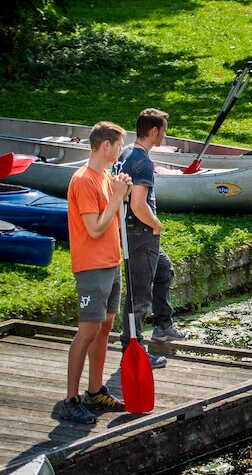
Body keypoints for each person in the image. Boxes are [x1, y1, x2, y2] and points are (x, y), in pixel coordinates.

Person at [57, 122, 133, 424]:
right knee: (87, 330)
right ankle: (70, 399)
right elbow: (94, 228)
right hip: (91, 267)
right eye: (118, 145)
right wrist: (116, 197)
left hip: (111, 264)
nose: (120, 150)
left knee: (105, 328)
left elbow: (115, 222)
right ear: (105, 146)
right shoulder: (84, 180)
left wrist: (121, 195)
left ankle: (95, 389)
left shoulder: (105, 177)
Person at [115, 109, 185, 367]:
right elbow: (138, 204)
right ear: (154, 131)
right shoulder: (142, 162)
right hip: (141, 233)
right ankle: (132, 350)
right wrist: (157, 225)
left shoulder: (126, 153)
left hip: (133, 232)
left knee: (164, 271)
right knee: (139, 295)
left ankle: (162, 325)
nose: (165, 135)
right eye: (164, 130)